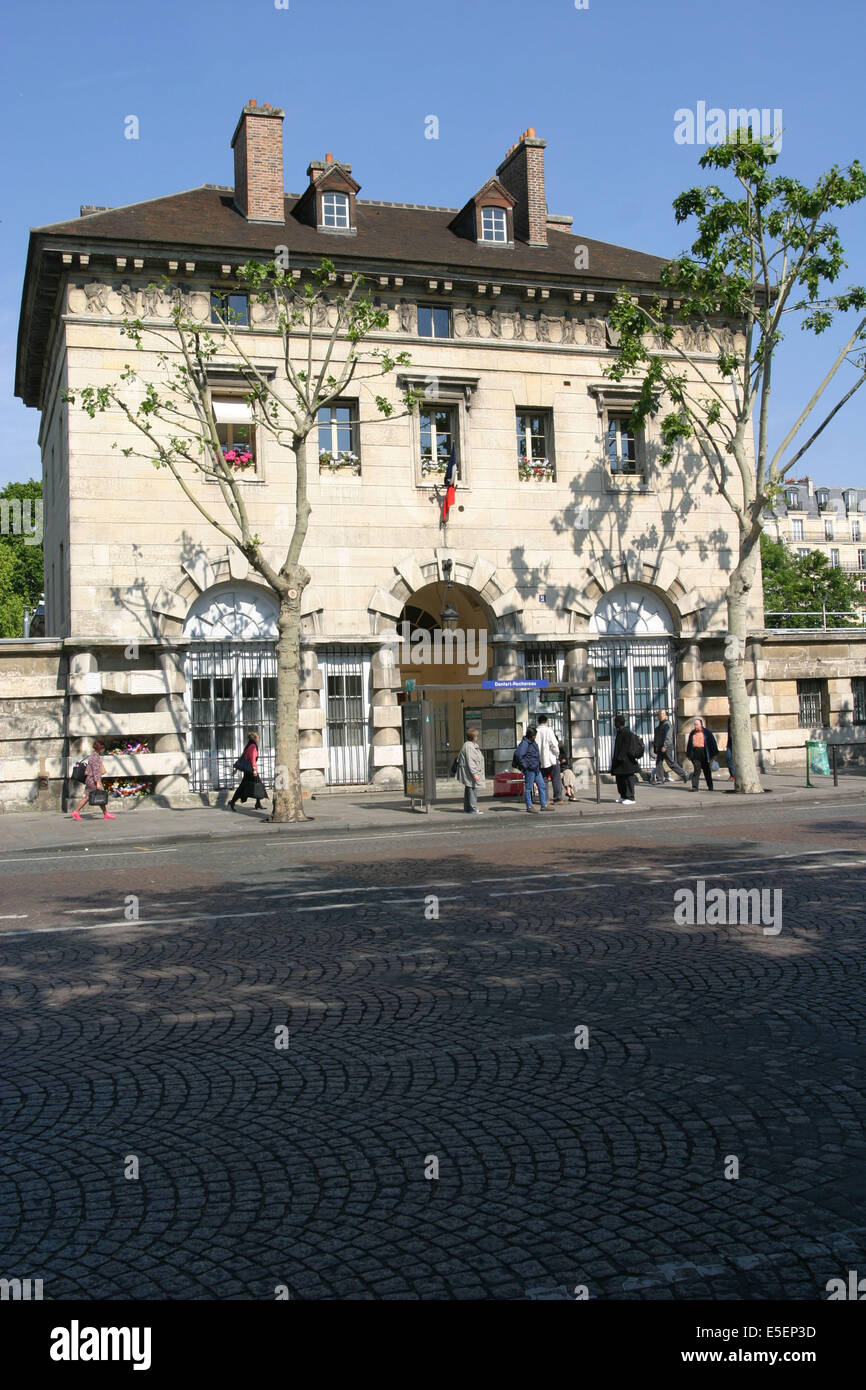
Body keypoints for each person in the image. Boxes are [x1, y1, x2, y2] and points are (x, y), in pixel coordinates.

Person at [70, 739, 117, 821]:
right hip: (93, 780)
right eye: (103, 748)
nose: (103, 749)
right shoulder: (95, 757)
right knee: (92, 796)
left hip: (91, 779)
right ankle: (76, 812)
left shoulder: (94, 755)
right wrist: (97, 782)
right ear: (100, 748)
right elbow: (96, 771)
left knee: (93, 796)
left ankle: (105, 813)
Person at [514, 726, 550, 813]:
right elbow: (519, 755)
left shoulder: (532, 742)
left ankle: (543, 805)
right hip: (530, 769)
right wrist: (525, 766)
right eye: (535, 735)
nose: (536, 736)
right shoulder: (525, 743)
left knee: (541, 785)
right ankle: (529, 806)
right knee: (528, 788)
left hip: (536, 768)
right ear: (532, 735)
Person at [229, 730, 267, 811]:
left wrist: (236, 769)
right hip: (251, 771)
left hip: (248, 771)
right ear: (255, 738)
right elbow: (252, 759)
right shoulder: (253, 746)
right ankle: (233, 802)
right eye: (258, 738)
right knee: (258, 785)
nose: (258, 739)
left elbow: (242, 758)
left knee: (251, 785)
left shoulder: (248, 746)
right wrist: (254, 770)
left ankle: (258, 803)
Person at [651, 708, 689, 785]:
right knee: (659, 762)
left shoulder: (667, 724)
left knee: (670, 763)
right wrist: (656, 746)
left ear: (664, 715)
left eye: (659, 715)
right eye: (657, 715)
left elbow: (668, 737)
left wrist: (665, 746)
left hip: (666, 747)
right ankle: (660, 779)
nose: (658, 717)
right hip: (660, 746)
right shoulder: (661, 724)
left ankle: (684, 774)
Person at [610, 713, 641, 804]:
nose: (614, 724)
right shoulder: (619, 732)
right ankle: (623, 796)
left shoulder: (626, 732)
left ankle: (631, 798)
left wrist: (620, 756)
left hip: (626, 761)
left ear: (619, 723)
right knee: (620, 780)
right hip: (620, 762)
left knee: (628, 780)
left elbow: (626, 746)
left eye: (615, 722)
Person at [456, 726, 485, 814]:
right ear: (473, 737)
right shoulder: (469, 747)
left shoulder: (470, 745)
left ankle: (468, 808)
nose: (477, 737)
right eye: (476, 736)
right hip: (470, 773)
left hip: (469, 772)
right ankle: (472, 808)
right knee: (472, 790)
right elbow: (471, 762)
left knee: (469, 789)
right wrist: (475, 774)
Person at [686, 717, 719, 791]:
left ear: (701, 724)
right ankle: (695, 787)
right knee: (696, 770)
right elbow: (689, 744)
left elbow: (713, 743)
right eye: (694, 725)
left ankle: (710, 786)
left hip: (704, 753)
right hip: (695, 753)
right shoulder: (692, 733)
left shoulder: (707, 733)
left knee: (706, 771)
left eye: (697, 724)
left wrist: (714, 754)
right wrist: (688, 754)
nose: (695, 726)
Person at [536, 715, 563, 803]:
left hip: (540, 760)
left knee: (543, 780)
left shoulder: (536, 731)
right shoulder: (549, 730)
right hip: (551, 759)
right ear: (546, 721)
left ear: (538, 722)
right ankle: (557, 798)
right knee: (556, 779)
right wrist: (557, 755)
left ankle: (545, 799)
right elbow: (554, 745)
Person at [724, 715, 735, 781]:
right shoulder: (729, 719)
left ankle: (734, 775)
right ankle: (732, 775)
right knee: (728, 757)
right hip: (730, 743)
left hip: (738, 743)